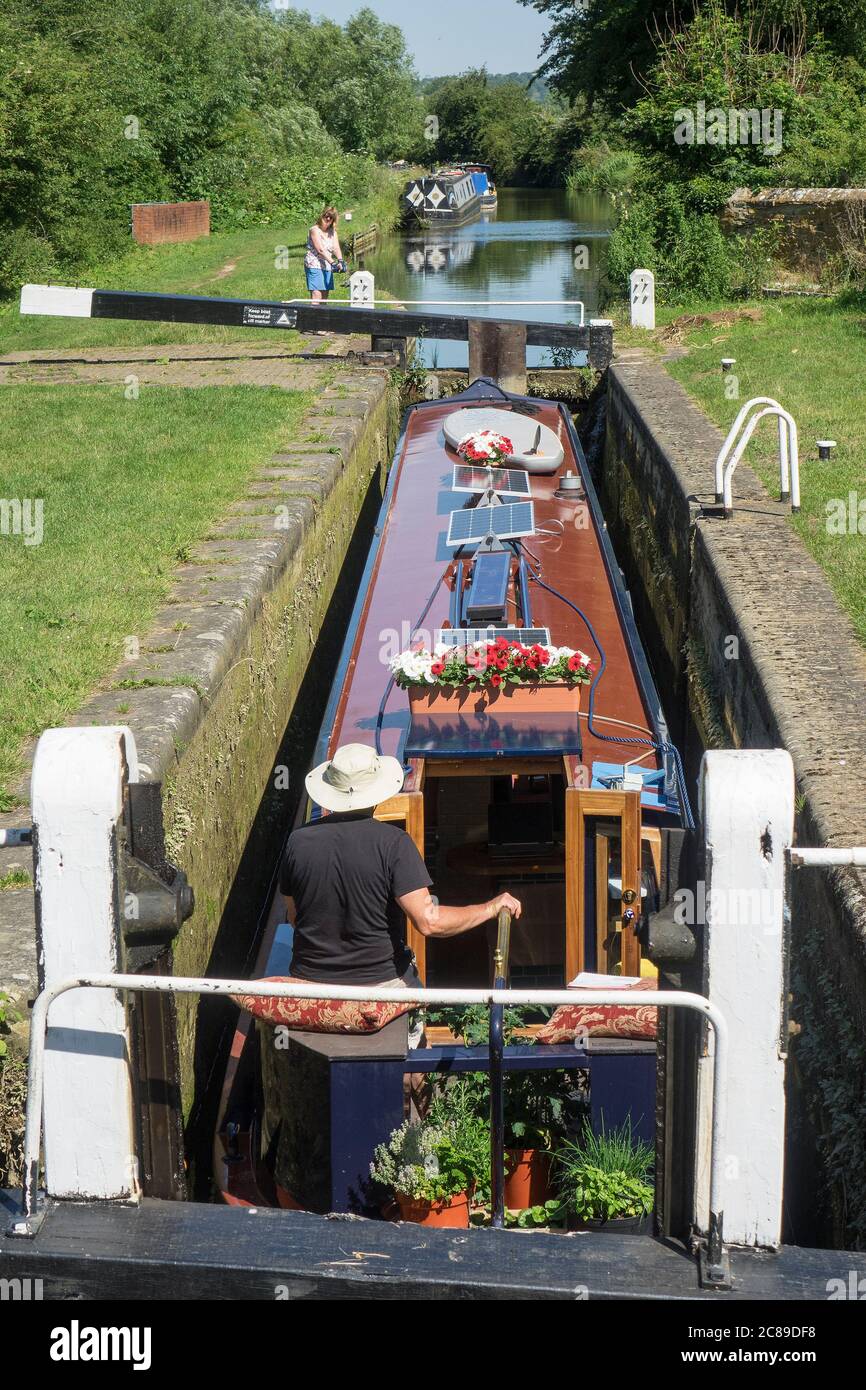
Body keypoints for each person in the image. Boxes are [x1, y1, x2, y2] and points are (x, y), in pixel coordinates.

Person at [280, 743, 522, 1020]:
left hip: (313, 986)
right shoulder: (394, 844)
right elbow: (429, 922)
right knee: (419, 1037)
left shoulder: (296, 842)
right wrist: (491, 908)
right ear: (376, 793)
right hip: (381, 987)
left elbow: (295, 917)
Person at [304, 205, 345, 305]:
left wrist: (340, 260)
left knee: (325, 297)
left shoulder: (332, 232)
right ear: (321, 216)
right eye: (326, 216)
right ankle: (313, 318)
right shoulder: (314, 230)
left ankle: (322, 320)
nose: (328, 219)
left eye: (331, 217)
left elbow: (336, 247)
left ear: (333, 220)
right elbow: (320, 250)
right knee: (317, 295)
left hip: (327, 265)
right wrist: (333, 262)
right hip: (315, 264)